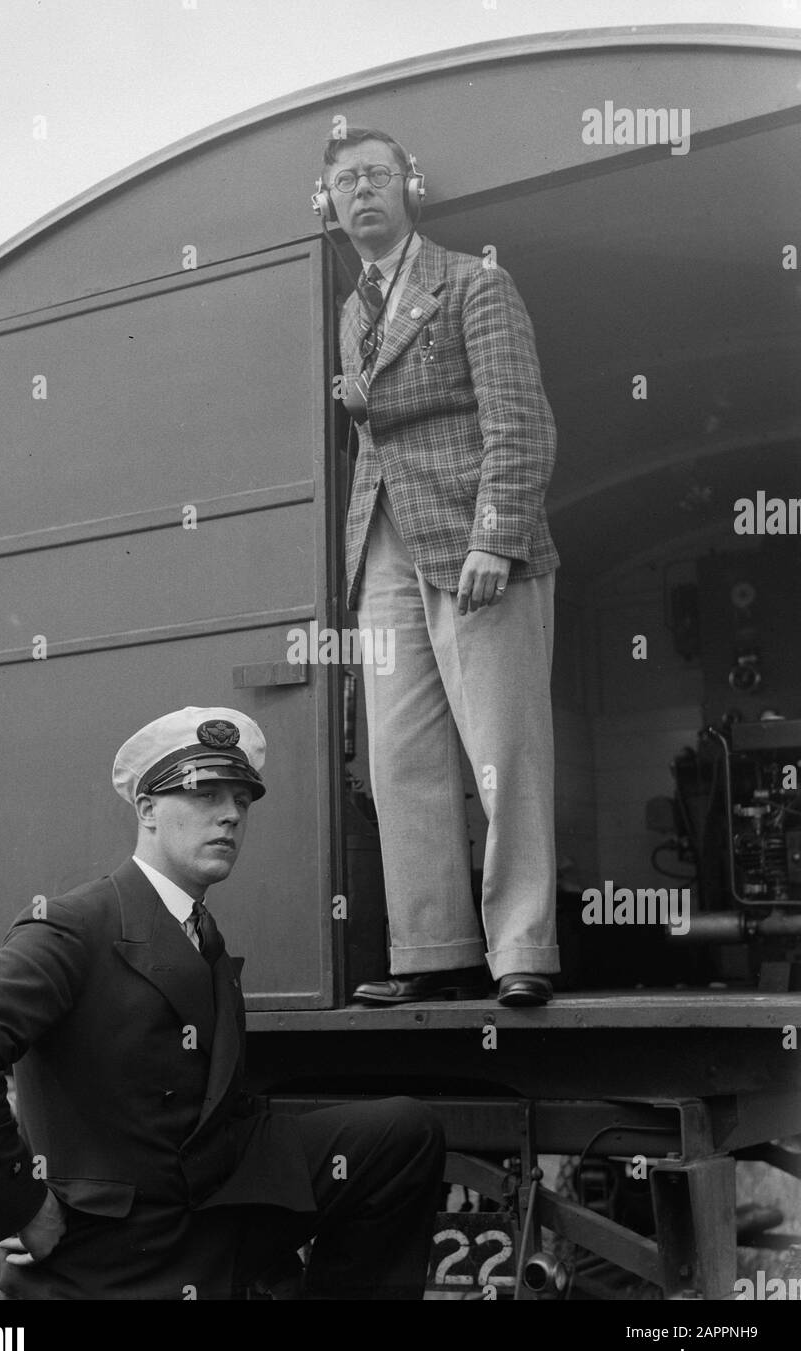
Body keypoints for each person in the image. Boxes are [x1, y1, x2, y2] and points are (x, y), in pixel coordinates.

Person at [0, 706, 445, 1299]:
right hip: (115, 1246)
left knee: (404, 1134)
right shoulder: (74, 924)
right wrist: (21, 1206)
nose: (230, 816)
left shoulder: (201, 933)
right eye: (204, 794)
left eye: (241, 800)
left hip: (207, 1204)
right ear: (146, 811)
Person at [316, 128, 560, 1007]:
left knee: (503, 752)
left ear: (408, 188)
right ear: (330, 204)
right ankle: (433, 951)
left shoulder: (474, 282)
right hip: (382, 542)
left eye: (377, 175)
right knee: (401, 758)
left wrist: (495, 536)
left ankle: (521, 947)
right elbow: (385, 424)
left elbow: (519, 421)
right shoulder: (352, 312)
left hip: (473, 538)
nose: (362, 191)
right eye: (345, 181)